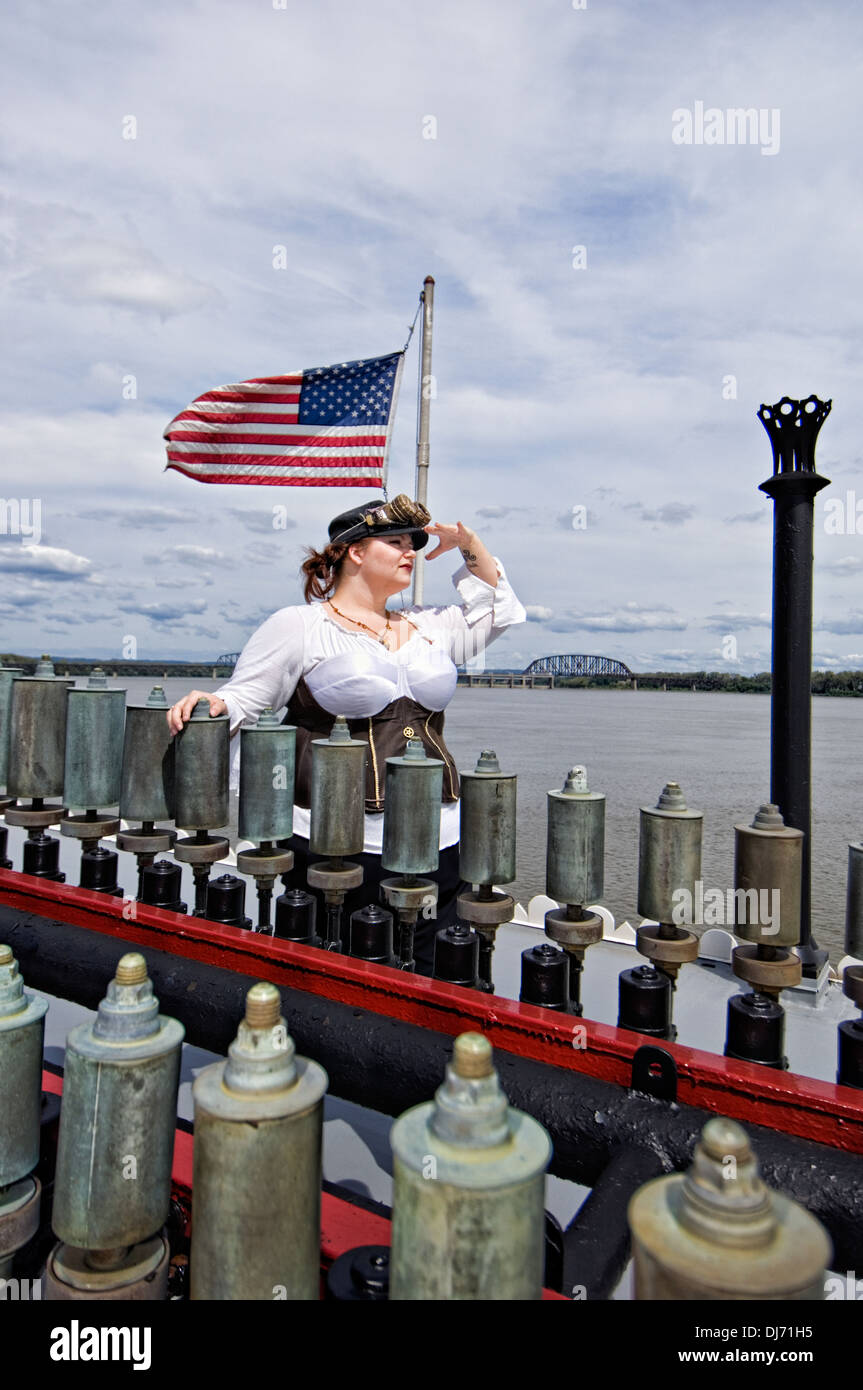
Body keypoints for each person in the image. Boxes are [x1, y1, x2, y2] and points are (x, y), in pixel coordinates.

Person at [167, 493, 526, 972]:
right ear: (355, 550)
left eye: (412, 543)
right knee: (334, 969)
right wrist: (209, 703)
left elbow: (496, 608)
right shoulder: (300, 626)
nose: (410, 552)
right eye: (395, 541)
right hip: (332, 841)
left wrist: (467, 542)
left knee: (440, 970)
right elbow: (246, 697)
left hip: (439, 839)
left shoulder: (428, 625)